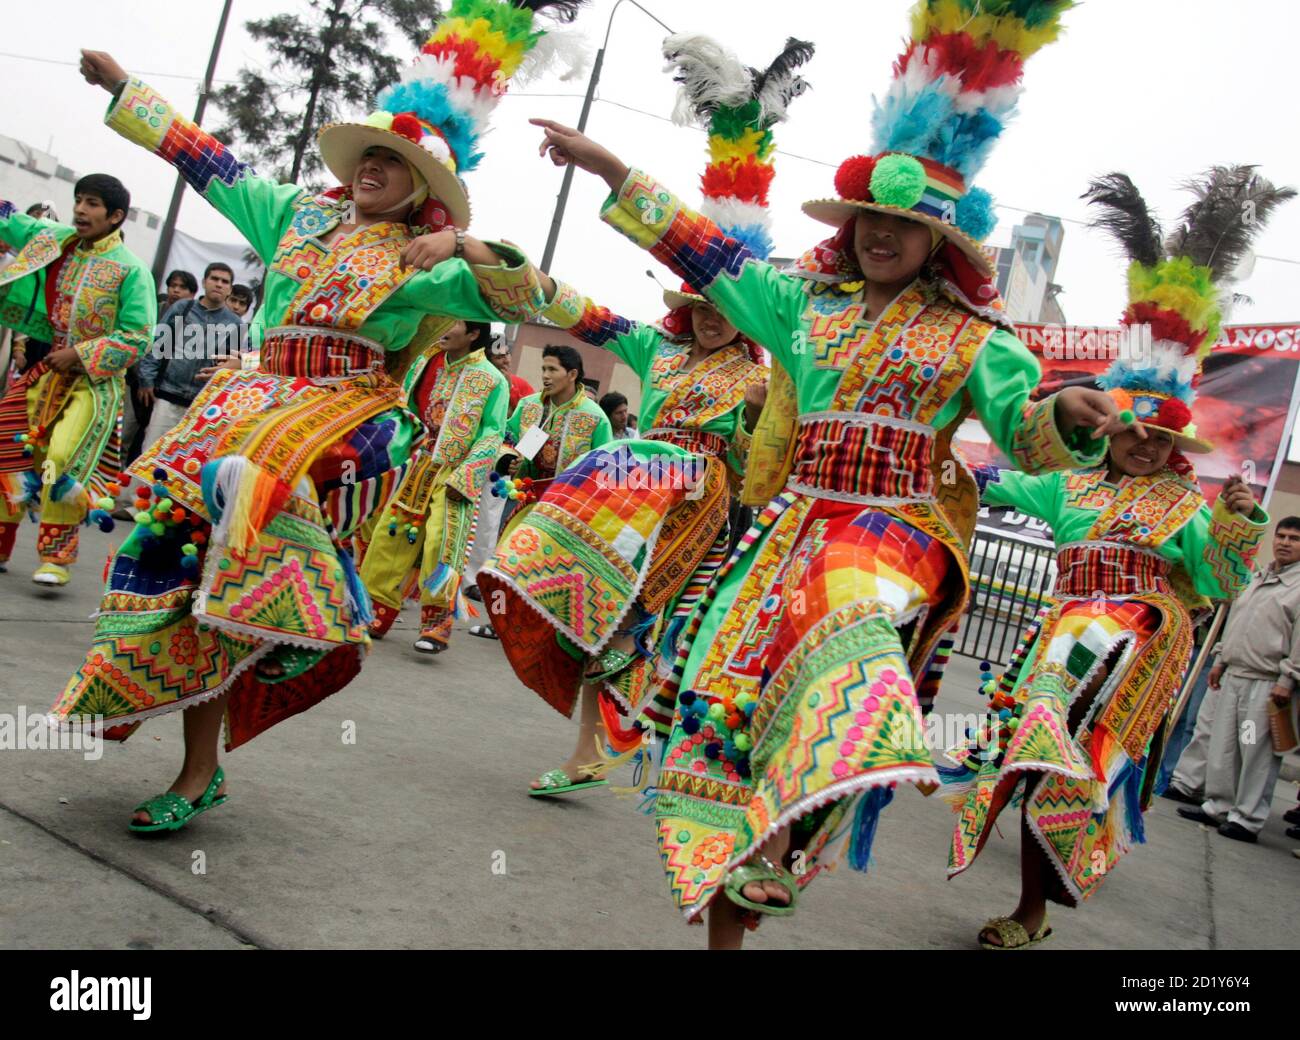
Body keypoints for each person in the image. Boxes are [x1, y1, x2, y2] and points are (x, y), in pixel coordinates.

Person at [530, 1, 1132, 948]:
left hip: (893, 535)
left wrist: (1064, 414)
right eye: (865, 219)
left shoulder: (977, 339)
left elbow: (1024, 428)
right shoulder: (802, 309)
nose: (877, 235)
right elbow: (705, 249)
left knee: (846, 620)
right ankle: (743, 885)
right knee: (731, 704)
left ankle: (816, 812)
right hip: (794, 527)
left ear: (943, 242)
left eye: (900, 224)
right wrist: (612, 169)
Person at [57, 2, 577, 835]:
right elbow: (212, 162)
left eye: (395, 159)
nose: (373, 165)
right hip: (250, 397)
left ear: (424, 190)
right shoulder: (297, 215)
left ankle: (327, 615)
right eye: (370, 152)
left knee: (250, 479)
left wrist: (464, 246)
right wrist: (126, 87)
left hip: (348, 413)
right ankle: (197, 770)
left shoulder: (424, 260)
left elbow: (535, 293)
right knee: (189, 568)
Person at [945, 165, 1286, 948]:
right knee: (1032, 761)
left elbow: (1222, 583)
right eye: (1130, 429)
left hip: (1137, 650)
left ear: (1174, 443)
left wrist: (1237, 528)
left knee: (1070, 766)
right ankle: (1032, 902)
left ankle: (1036, 905)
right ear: (1110, 428)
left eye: (1157, 435)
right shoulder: (1066, 489)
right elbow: (987, 482)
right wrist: (935, 452)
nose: (1141, 443)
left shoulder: (1185, 508)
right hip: (1064, 642)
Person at [475, 34, 810, 797]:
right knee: (594, 616)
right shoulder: (653, 352)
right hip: (624, 490)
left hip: (694, 510)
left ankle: (646, 747)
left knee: (641, 628)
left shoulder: (774, 376)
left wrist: (757, 419)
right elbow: (571, 307)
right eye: (700, 305)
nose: (712, 317)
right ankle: (597, 743)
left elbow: (768, 468)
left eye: (725, 306)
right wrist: (492, 259)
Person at [0, 174, 155, 586]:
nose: (81, 210)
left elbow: (138, 337)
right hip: (46, 373)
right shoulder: (59, 241)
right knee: (8, 448)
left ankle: (56, 557)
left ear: (116, 216)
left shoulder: (132, 271)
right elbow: (11, 221)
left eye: (92, 204)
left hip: (93, 384)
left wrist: (81, 355)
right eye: (79, 200)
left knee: (62, 460)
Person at [358, 318, 507, 654]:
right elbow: (405, 409)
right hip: (418, 464)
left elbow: (492, 432)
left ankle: (436, 625)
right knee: (390, 534)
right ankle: (374, 614)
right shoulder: (425, 363)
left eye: (454, 322)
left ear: (473, 334)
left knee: (442, 543)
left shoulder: (491, 379)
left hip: (454, 472)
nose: (445, 327)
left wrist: (467, 476)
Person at [466, 343, 610, 641]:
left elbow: (605, 469)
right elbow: (505, 437)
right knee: (506, 563)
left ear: (572, 374)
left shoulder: (595, 417)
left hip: (568, 508)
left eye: (552, 369)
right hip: (525, 498)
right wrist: (509, 457)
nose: (545, 375)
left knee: (551, 572)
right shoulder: (530, 405)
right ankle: (499, 624)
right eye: (543, 368)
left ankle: (541, 632)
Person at [1176, 516, 1300, 842]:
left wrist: (1288, 680)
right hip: (1234, 675)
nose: (1285, 542)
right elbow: (1235, 623)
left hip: (1266, 684)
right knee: (1223, 746)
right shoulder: (1258, 577)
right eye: (1282, 536)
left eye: (1294, 539)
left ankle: (1247, 817)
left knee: (1252, 751)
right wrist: (1219, 658)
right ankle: (1218, 805)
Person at [136, 261, 242, 450]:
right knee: (150, 452)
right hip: (167, 396)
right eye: (214, 279)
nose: (219, 284)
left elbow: (235, 365)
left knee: (181, 463)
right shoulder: (183, 308)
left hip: (201, 406)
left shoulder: (236, 323)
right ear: (204, 282)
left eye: (224, 282)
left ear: (229, 289)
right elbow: (158, 345)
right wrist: (147, 379)